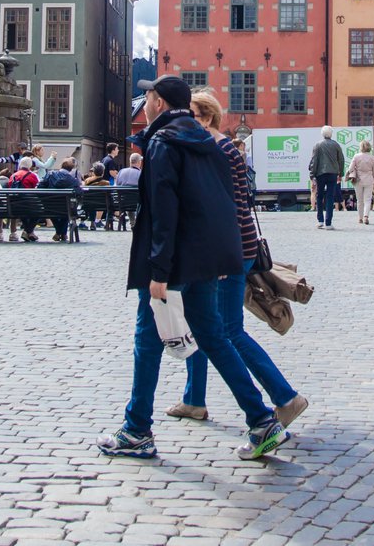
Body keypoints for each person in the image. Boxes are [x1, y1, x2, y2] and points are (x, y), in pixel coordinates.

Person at [97, 75, 288, 461]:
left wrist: (159, 272)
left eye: (148, 96)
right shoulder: (209, 143)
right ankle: (262, 419)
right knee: (213, 335)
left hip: (175, 260)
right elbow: (223, 202)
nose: (145, 102)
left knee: (147, 339)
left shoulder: (162, 143)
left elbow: (163, 213)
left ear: (160, 104)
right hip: (210, 257)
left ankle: (137, 430)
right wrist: (224, 257)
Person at [168, 89, 309, 428]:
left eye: (192, 115)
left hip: (227, 251)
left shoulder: (217, 149)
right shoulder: (219, 148)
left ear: (206, 118)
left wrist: (218, 258)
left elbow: (224, 206)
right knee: (199, 322)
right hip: (229, 248)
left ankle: (286, 398)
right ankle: (193, 398)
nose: (186, 121)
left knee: (228, 331)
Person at [36, 156, 81, 241]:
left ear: (61, 166)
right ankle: (62, 233)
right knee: (67, 210)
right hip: (65, 207)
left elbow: (40, 187)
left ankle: (59, 233)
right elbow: (79, 193)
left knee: (53, 210)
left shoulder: (50, 175)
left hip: (49, 206)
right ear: (71, 169)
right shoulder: (73, 180)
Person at [309, 126, 344, 230]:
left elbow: (314, 161)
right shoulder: (336, 145)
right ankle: (328, 223)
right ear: (331, 134)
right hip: (333, 173)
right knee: (330, 197)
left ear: (322, 134)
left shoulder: (317, 145)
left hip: (320, 174)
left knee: (319, 196)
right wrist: (340, 173)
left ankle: (320, 220)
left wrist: (312, 175)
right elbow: (341, 160)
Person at [345, 140, 374, 226]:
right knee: (368, 200)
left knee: (359, 200)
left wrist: (348, 174)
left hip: (358, 180)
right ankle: (366, 216)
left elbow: (350, 168)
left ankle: (360, 218)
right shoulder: (372, 157)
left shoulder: (356, 156)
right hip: (369, 180)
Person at [7, 156, 40, 241]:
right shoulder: (32, 176)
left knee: (22, 211)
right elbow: (37, 189)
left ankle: (28, 232)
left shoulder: (13, 176)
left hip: (14, 205)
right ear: (30, 166)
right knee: (39, 211)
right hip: (28, 204)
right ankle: (28, 231)